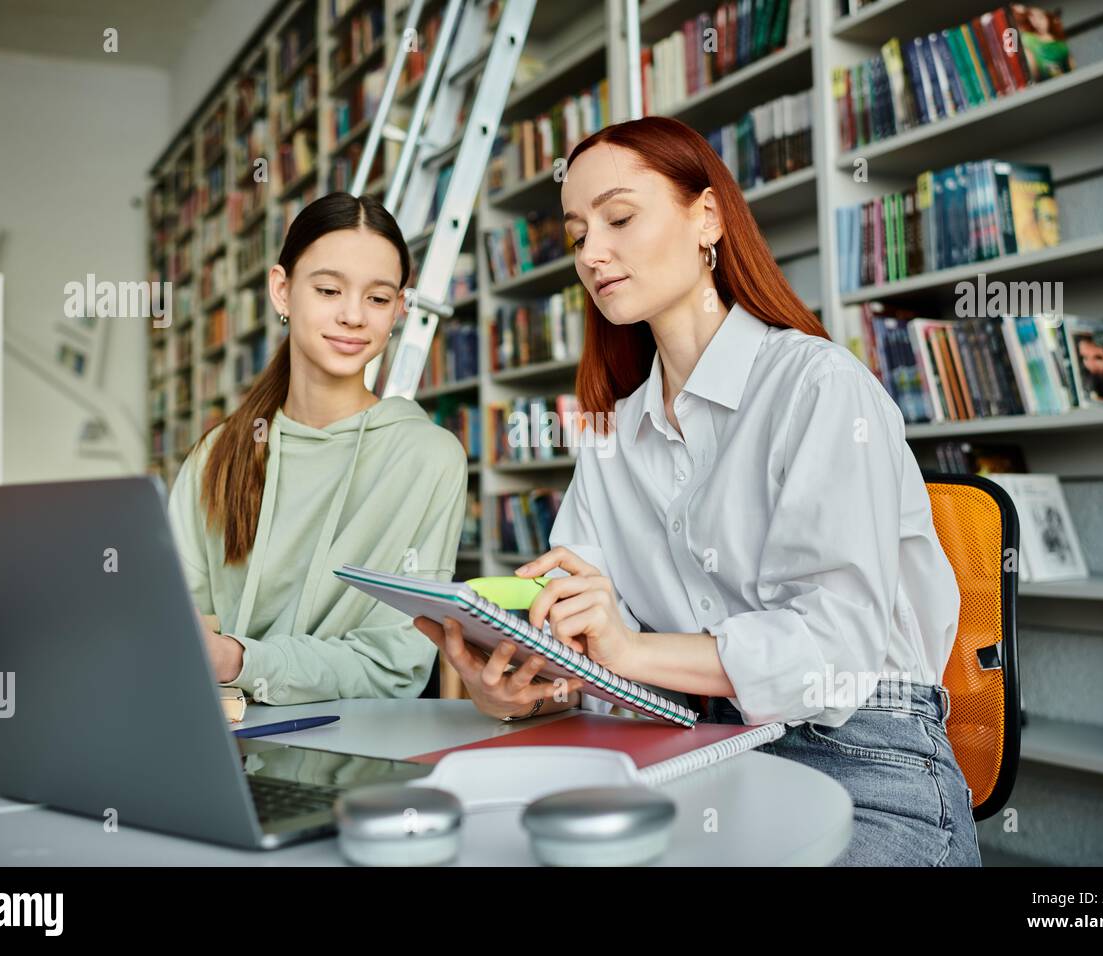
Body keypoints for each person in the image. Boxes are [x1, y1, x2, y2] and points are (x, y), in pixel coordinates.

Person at [416, 117, 979, 866]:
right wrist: (530, 683)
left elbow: (832, 650)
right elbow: (594, 646)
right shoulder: (612, 437)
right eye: (579, 233)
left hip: (865, 761)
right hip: (690, 749)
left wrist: (631, 648)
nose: (592, 253)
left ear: (706, 217)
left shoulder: (818, 387)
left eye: (619, 218)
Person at [169, 192, 467, 706]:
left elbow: (393, 667)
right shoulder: (217, 455)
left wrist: (240, 660)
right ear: (282, 291)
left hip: (357, 753)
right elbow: (175, 626)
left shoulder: (428, 458)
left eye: (377, 299)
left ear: (399, 309)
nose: (353, 316)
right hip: (220, 739)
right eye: (329, 289)